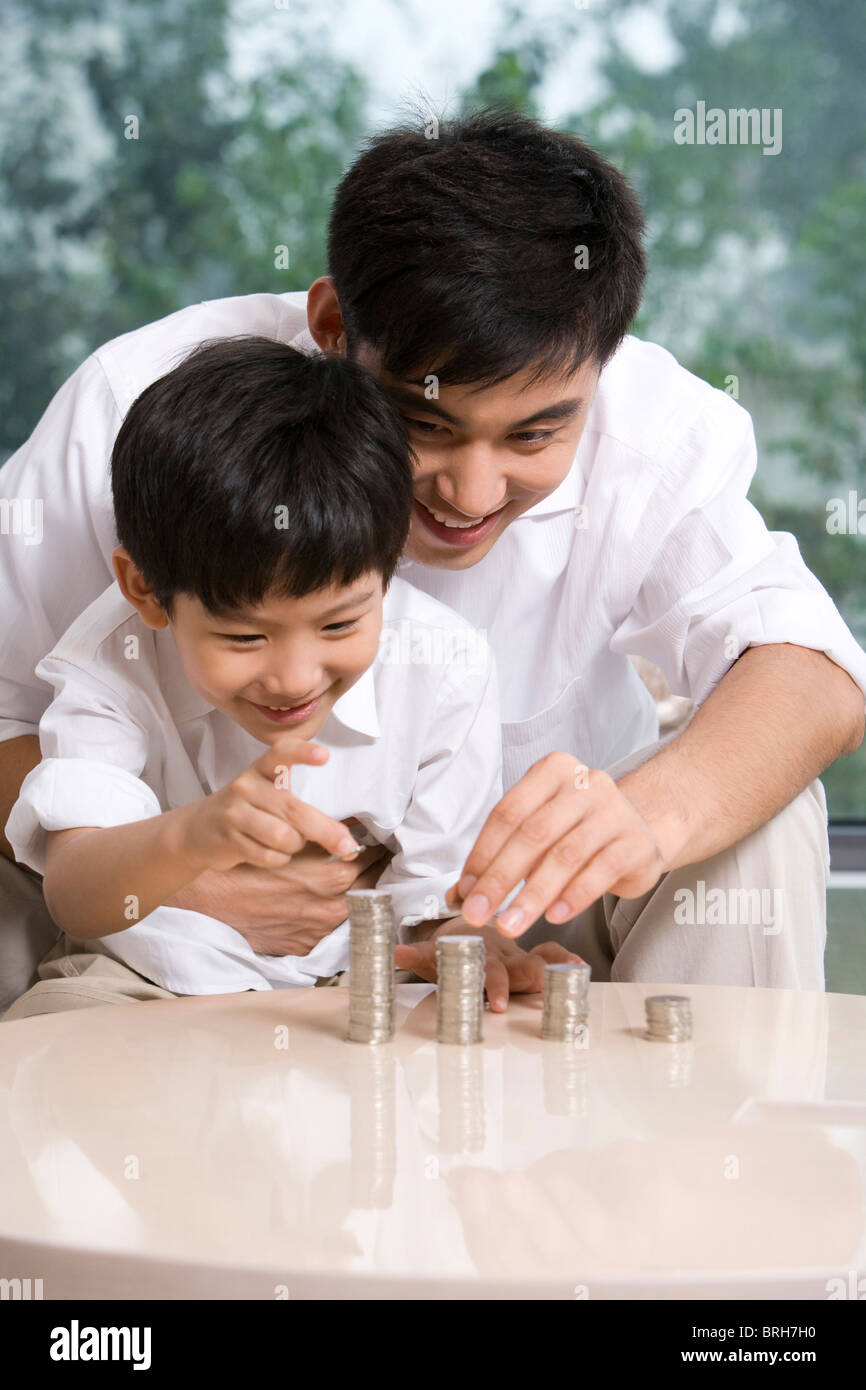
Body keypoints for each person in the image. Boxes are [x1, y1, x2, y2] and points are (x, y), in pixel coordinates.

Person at [2, 108, 864, 1007]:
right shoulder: (142, 418)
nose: (472, 494)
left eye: (533, 434)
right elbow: (8, 715)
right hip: (162, 915)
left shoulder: (651, 433)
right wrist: (181, 868)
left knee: (760, 817)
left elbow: (814, 670)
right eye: (426, 426)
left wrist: (650, 813)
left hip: (518, 901)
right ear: (334, 327)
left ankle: (706, 1136)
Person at [2, 338, 580, 1021]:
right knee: (44, 1064)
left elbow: (434, 902)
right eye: (245, 636)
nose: (294, 678)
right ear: (145, 590)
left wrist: (466, 946)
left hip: (358, 983)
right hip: (136, 971)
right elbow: (73, 892)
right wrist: (189, 839)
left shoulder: (446, 667)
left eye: (339, 626)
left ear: (388, 568)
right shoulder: (111, 660)